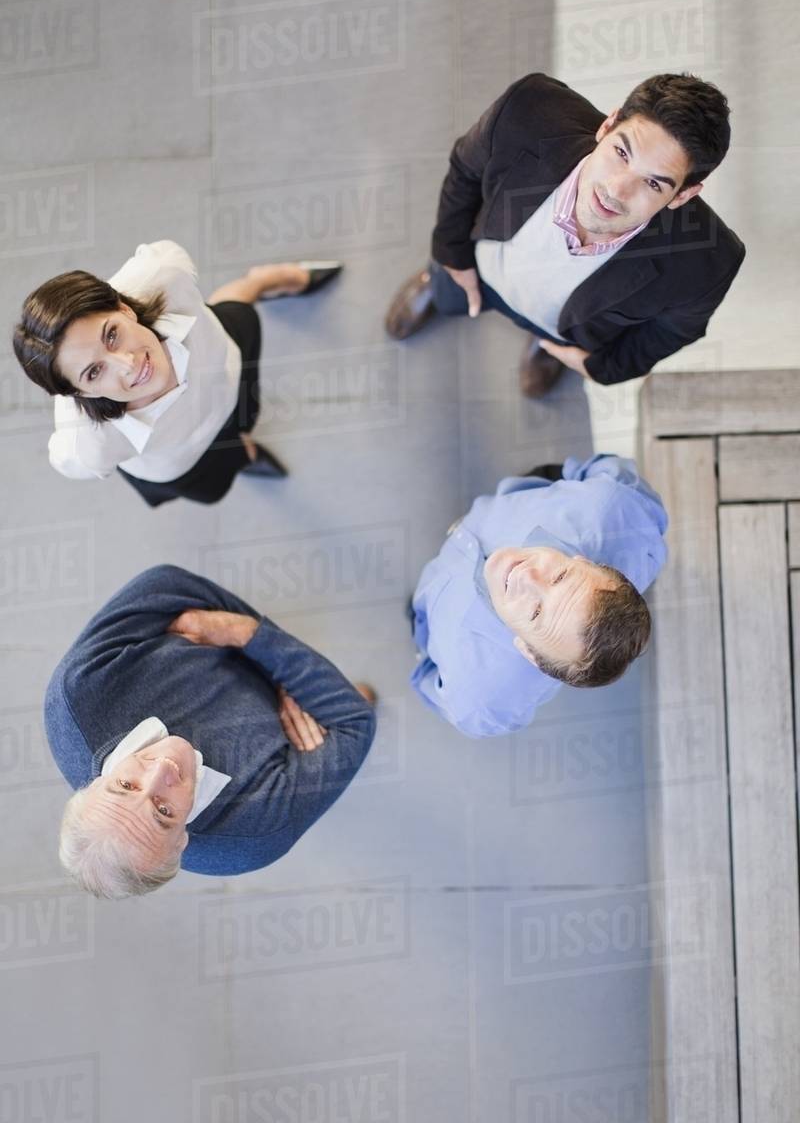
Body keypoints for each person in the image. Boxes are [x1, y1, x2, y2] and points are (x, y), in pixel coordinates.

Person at [385, 71, 745, 396]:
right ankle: (436, 285)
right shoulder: (527, 112)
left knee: (555, 341)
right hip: (482, 265)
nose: (616, 190)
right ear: (607, 126)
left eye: (653, 183)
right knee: (448, 289)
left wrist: (600, 367)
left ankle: (546, 348)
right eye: (622, 152)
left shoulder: (707, 266)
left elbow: (672, 332)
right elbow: (465, 168)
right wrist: (450, 254)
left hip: (563, 328)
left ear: (682, 196)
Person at [45, 565, 376, 897]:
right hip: (251, 668)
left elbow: (167, 583)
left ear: (94, 784)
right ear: (181, 843)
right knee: (347, 706)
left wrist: (261, 648)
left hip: (261, 678)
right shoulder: (254, 836)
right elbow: (355, 722)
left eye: (125, 785)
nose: (162, 769)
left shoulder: (78, 691)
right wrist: (249, 637)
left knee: (332, 705)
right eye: (164, 812)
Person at [13, 241, 342, 505]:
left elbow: (162, 257)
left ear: (124, 308)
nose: (128, 364)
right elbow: (69, 459)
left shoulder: (163, 276)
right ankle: (243, 456)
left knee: (235, 307)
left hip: (226, 371)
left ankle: (263, 279)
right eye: (94, 371)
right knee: (222, 474)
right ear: (81, 393)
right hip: (188, 460)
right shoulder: (89, 444)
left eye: (112, 334)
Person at [410, 455, 667, 737]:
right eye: (560, 577)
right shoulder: (610, 504)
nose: (525, 575)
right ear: (584, 562)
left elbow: (431, 684)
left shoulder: (479, 700)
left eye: (536, 612)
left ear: (528, 652)